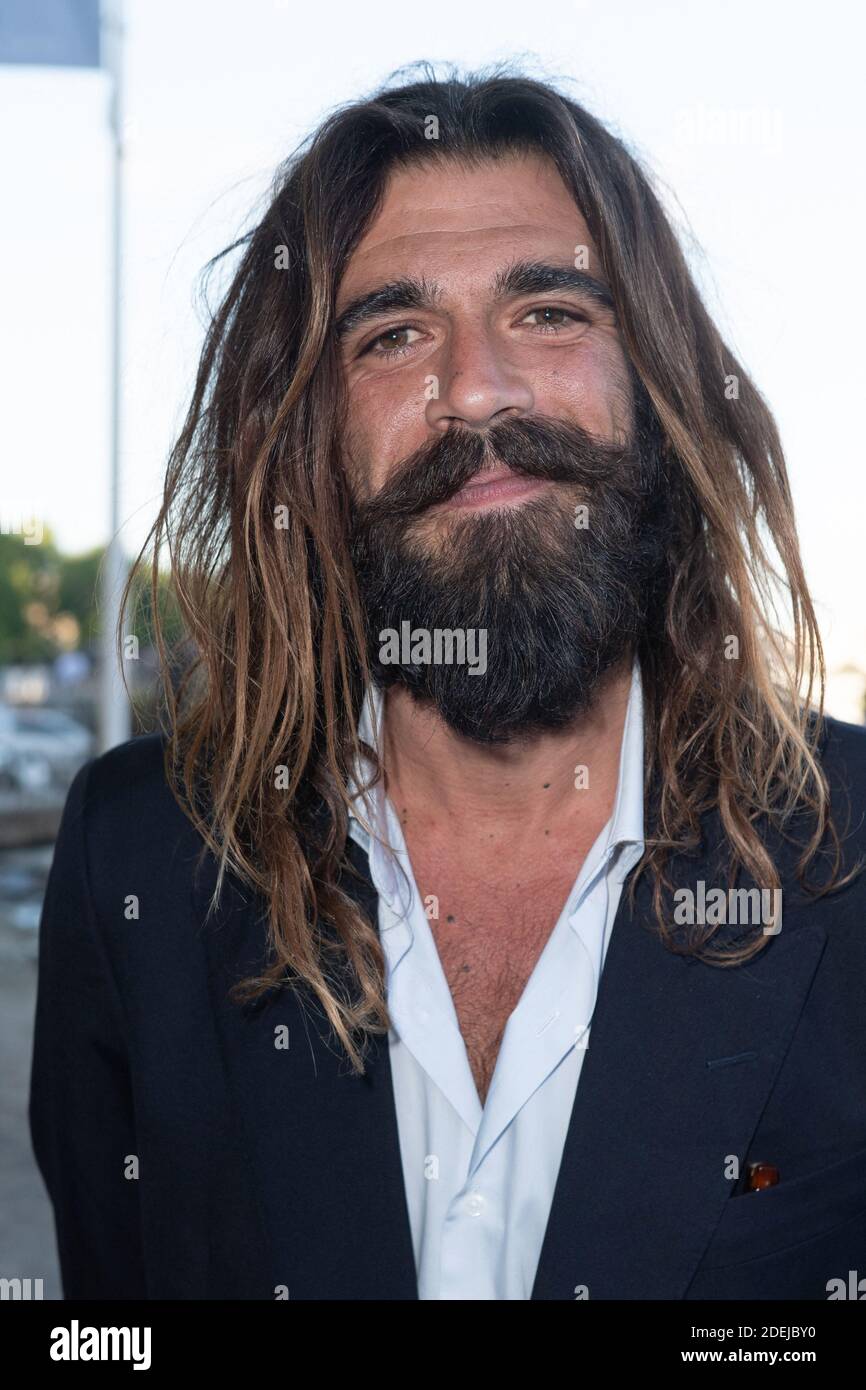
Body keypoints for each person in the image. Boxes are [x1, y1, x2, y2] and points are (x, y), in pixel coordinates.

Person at [29, 67, 866, 1301]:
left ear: (659, 383)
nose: (475, 388)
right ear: (305, 435)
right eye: (393, 335)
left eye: (549, 312)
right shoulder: (140, 857)